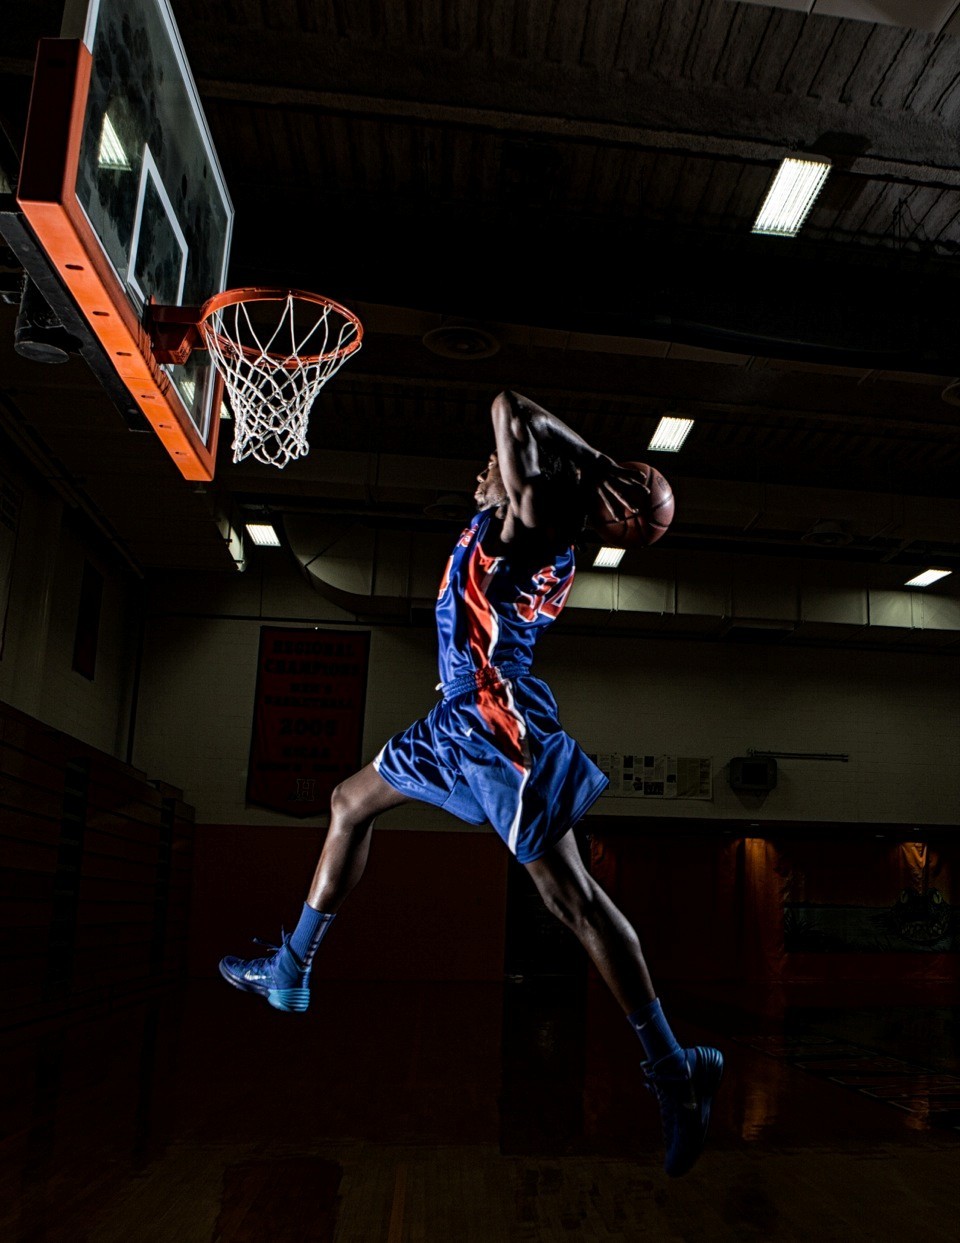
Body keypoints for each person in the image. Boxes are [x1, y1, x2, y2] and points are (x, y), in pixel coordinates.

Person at [220, 390, 723, 1177]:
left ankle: (672, 1070)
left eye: (498, 464)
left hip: (495, 726)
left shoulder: (536, 520)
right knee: (348, 802)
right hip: (459, 718)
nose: (485, 465)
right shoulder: (510, 520)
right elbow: (512, 435)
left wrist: (593, 462)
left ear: (531, 480)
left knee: (574, 902)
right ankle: (290, 969)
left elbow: (509, 404)